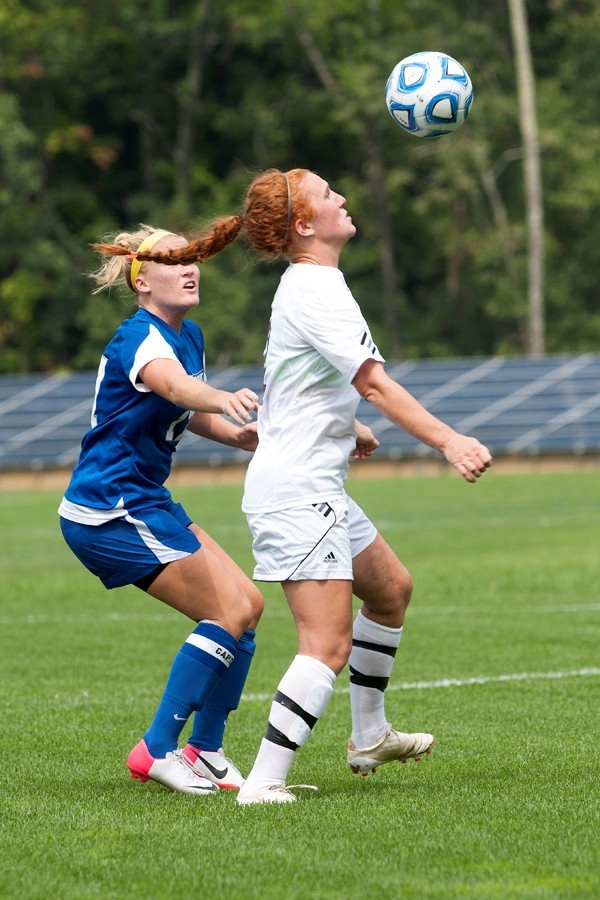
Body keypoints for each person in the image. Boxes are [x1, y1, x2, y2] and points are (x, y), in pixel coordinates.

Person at [128, 169, 493, 805]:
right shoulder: (317, 289)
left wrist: (340, 425)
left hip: (311, 479)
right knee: (324, 644)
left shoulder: (310, 285)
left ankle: (369, 734)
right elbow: (374, 383)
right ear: (304, 224)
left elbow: (295, 380)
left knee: (390, 590)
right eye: (328, 195)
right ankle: (264, 783)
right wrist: (450, 441)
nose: (342, 198)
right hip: (298, 491)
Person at [58, 225, 264, 795]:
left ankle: (207, 750)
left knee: (249, 605)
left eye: (193, 256)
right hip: (109, 510)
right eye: (175, 260)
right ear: (142, 281)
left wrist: (234, 435)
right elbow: (173, 388)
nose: (191, 266)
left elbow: (187, 409)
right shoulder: (138, 339)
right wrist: (221, 397)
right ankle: (155, 749)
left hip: (144, 499)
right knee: (226, 612)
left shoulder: (188, 333)